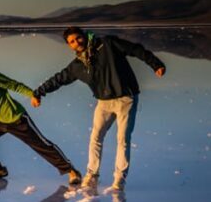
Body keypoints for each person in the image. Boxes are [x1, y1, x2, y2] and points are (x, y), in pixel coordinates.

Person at [33, 26, 166, 190]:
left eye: (78, 38)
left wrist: (155, 64)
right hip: (104, 103)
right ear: (70, 46)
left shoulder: (107, 44)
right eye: (72, 42)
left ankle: (119, 180)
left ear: (84, 36)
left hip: (125, 98)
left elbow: (135, 49)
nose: (76, 43)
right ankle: (92, 175)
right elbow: (59, 79)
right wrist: (39, 93)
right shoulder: (77, 66)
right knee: (95, 138)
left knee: (123, 140)